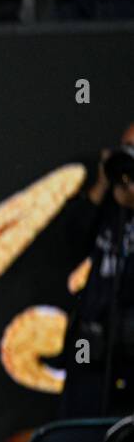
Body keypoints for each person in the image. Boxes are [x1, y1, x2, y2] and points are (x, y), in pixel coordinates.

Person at [58, 145, 134, 418]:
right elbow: (72, 239)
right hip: (94, 339)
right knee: (81, 418)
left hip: (130, 342)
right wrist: (103, 183)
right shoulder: (106, 208)